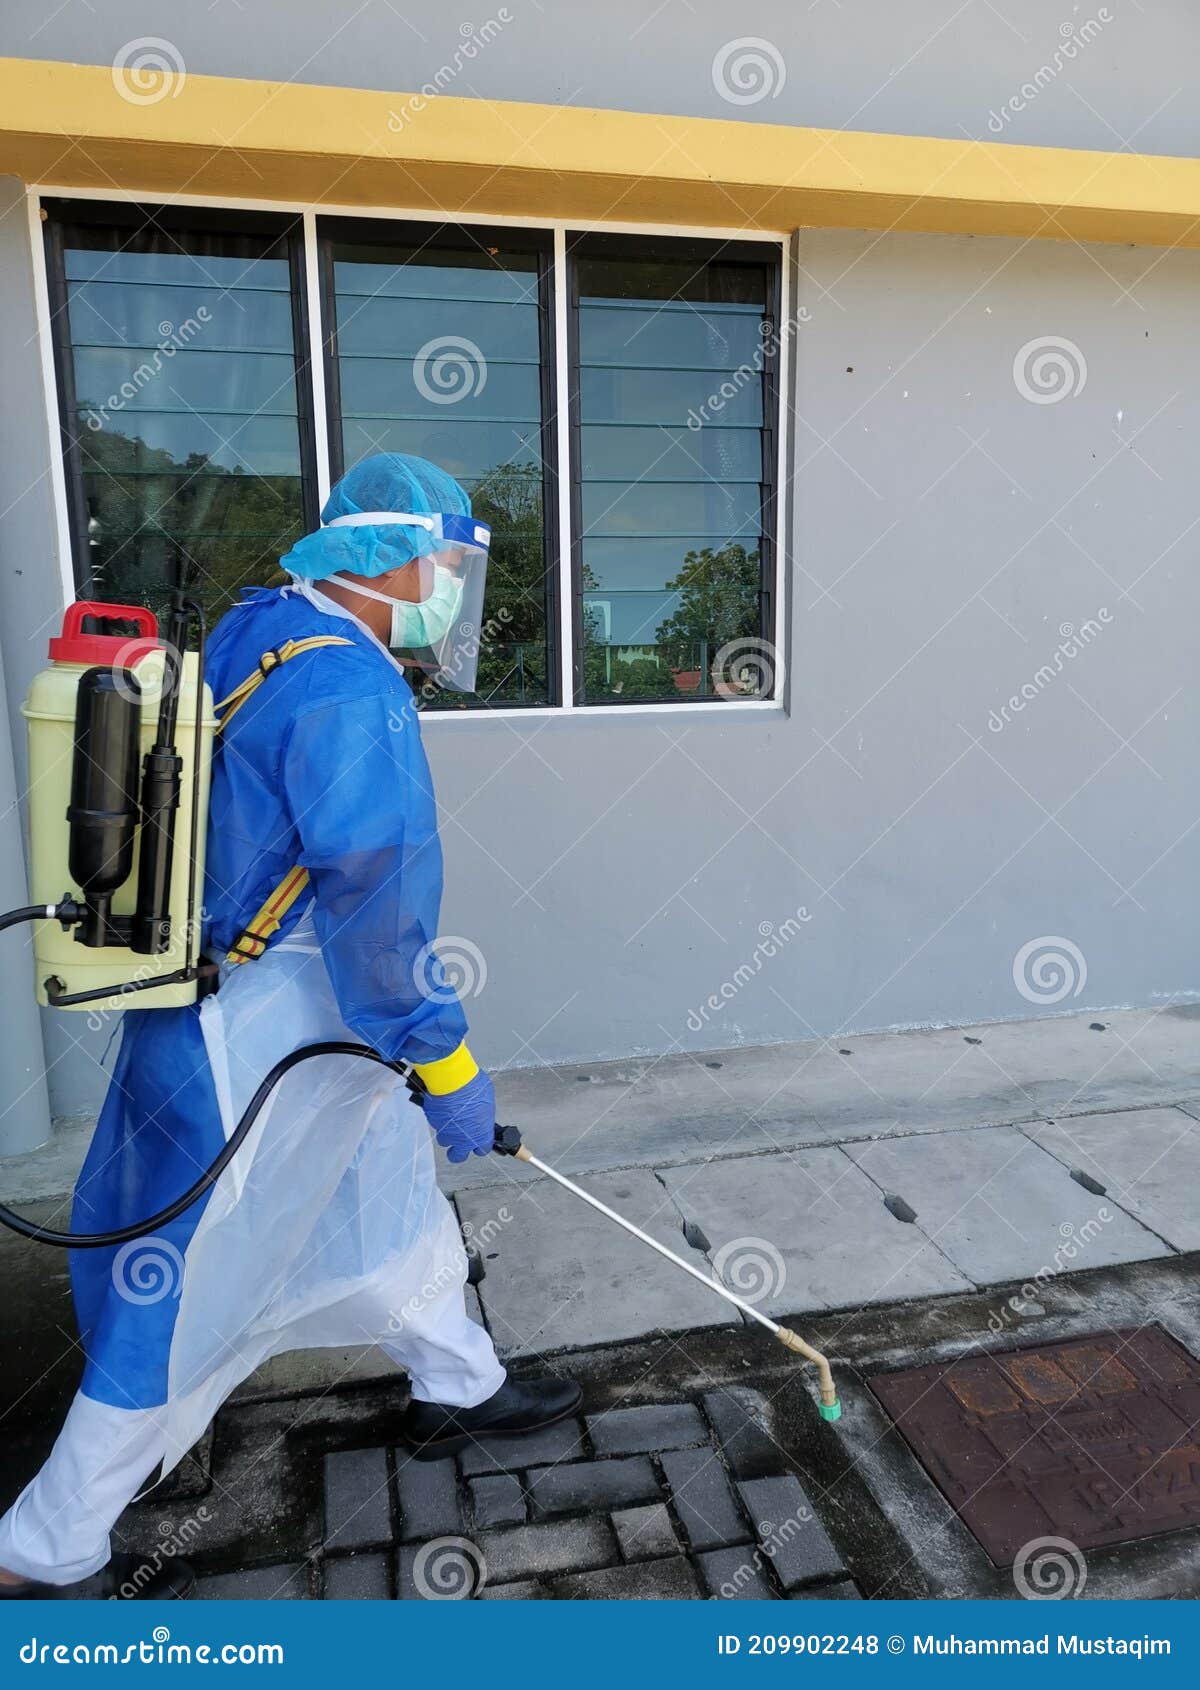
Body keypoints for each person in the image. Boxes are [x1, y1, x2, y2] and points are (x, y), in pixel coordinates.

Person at [0, 453, 579, 1598]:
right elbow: (377, 904)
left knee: (389, 1184)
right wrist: (447, 1060)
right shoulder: (352, 691)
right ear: (387, 561)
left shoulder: (262, 629)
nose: (452, 586)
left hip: (256, 1007)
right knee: (187, 1276)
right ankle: (47, 1543)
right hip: (267, 1031)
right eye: (446, 562)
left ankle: (457, 1383)